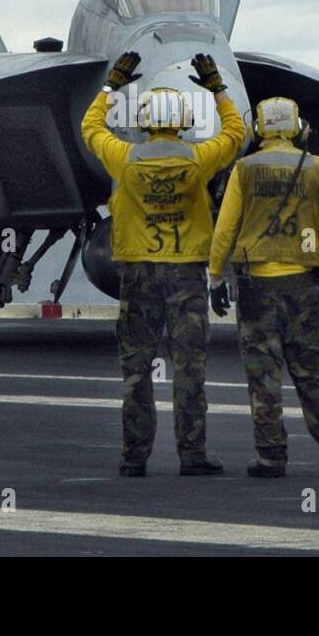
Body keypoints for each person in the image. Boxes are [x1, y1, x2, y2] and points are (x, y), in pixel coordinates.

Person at [81, 51, 247, 477]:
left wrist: (110, 86)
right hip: (187, 275)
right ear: (183, 119)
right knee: (190, 368)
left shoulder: (124, 157)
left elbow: (90, 127)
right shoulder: (199, 159)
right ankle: (192, 456)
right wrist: (218, 88)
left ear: (144, 120)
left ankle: (134, 458)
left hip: (137, 275)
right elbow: (236, 132)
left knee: (136, 370)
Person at [208, 97, 319, 478]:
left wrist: (215, 276)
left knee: (264, 379)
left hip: (257, 289)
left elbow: (225, 229)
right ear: (298, 128)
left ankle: (271, 458)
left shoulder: (243, 170)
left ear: (259, 130)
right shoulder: (317, 168)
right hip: (305, 286)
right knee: (314, 374)